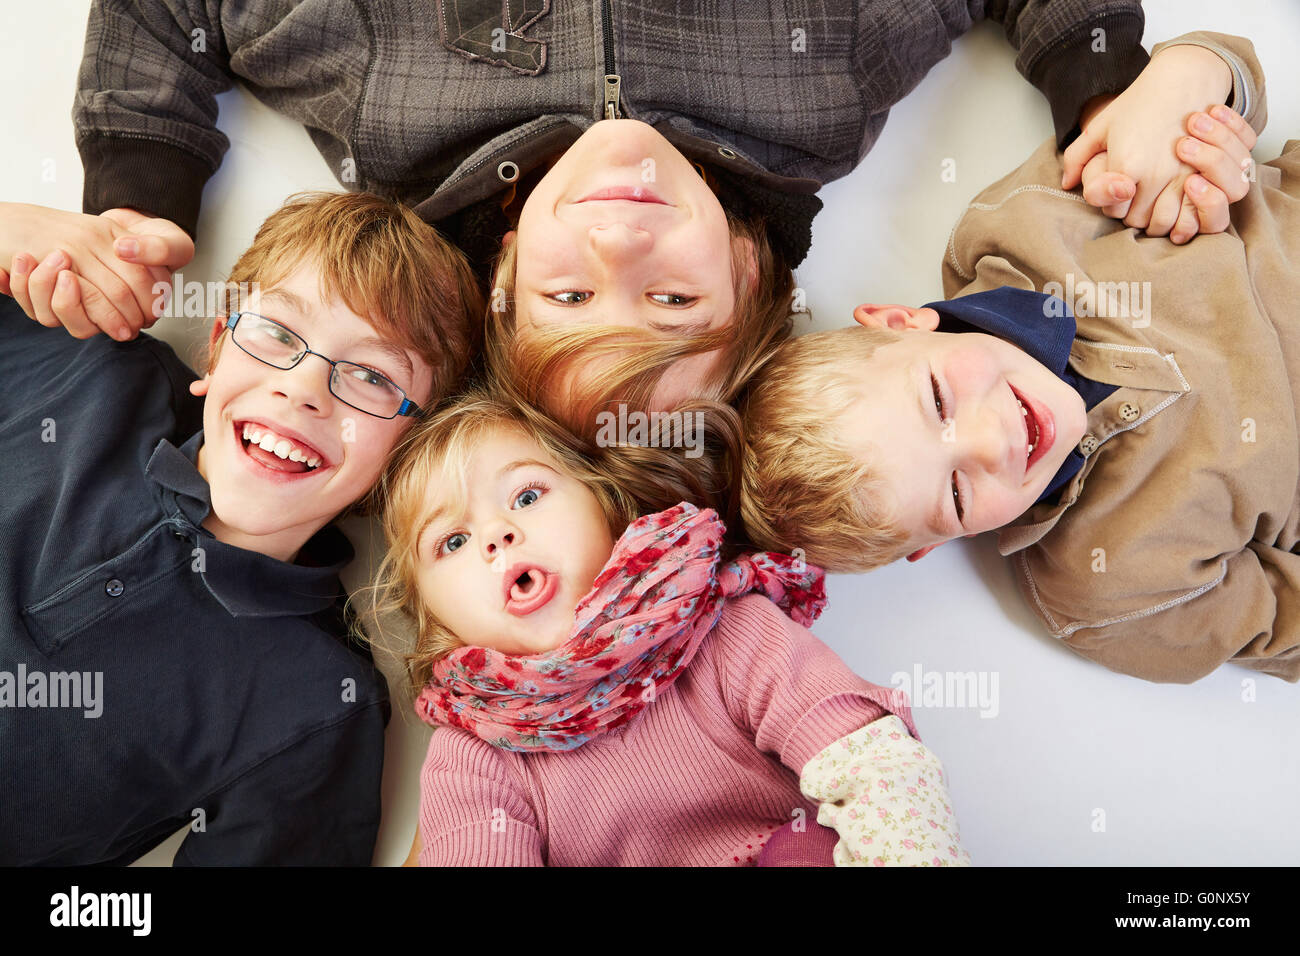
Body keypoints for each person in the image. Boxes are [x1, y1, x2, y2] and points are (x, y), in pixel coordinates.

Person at [2, 1, 1257, 413]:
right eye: (670, 294)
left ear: (496, 279)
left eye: (567, 290)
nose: (617, 232)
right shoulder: (820, 93)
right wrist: (1104, 85)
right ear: (753, 272)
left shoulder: (386, 114)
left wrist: (139, 192)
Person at [738, 32, 1300, 684]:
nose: (991, 441)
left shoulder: (1029, 225)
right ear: (939, 543)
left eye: (939, 401)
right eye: (954, 491)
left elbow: (1230, 73)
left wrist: (1189, 88)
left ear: (901, 322)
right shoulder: (1106, 592)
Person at [0, 190, 483, 864]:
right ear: (219, 344)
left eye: (371, 376)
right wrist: (12, 224)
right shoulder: (88, 367)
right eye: (279, 335)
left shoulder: (321, 705)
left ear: (407, 453)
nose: (304, 389)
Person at [366, 393, 971, 866]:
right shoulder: (475, 755)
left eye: (527, 495)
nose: (497, 535)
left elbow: (875, 766)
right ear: (432, 615)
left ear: (604, 504)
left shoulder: (727, 632)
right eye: (452, 541)